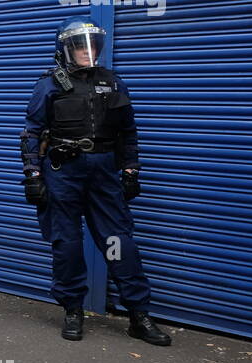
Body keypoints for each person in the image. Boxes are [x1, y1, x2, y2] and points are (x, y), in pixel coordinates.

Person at [21, 18, 170, 345]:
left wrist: (131, 169)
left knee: (119, 242)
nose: (87, 52)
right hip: (63, 173)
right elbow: (31, 133)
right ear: (66, 49)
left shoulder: (113, 83)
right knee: (68, 243)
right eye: (79, 46)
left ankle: (138, 313)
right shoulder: (49, 85)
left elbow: (128, 132)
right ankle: (72, 308)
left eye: (92, 46)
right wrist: (32, 174)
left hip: (104, 174)